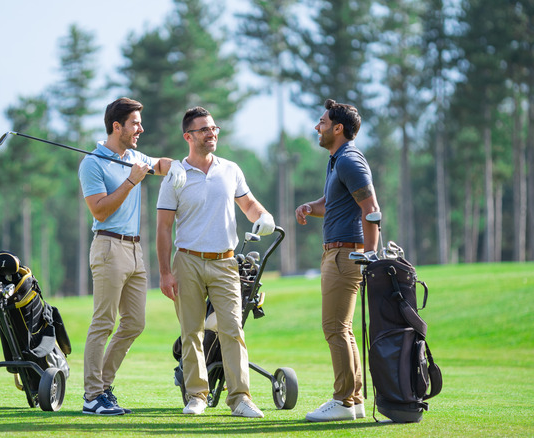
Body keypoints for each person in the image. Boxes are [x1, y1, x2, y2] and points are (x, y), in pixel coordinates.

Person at [156, 106, 276, 418]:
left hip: (225, 262)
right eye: (204, 130)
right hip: (188, 261)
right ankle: (197, 396)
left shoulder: (230, 169)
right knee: (192, 331)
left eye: (214, 128)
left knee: (233, 329)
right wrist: (165, 272)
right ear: (188, 137)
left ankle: (240, 398)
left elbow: (248, 204)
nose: (211, 134)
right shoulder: (175, 177)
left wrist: (263, 216)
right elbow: (164, 228)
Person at [78, 97, 186, 416]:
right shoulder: (92, 163)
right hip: (108, 246)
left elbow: (161, 164)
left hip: (135, 250)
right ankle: (92, 396)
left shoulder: (135, 157)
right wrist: (130, 181)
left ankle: (103, 386)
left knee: (135, 323)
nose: (141, 128)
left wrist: (181, 166)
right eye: (135, 123)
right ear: (117, 126)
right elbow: (99, 210)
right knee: (103, 322)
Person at [295, 99, 380, 422]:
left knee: (334, 328)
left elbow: (371, 208)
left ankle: (343, 401)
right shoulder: (337, 160)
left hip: (346, 254)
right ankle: (353, 400)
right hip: (338, 252)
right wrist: (310, 207)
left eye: (322, 122)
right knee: (343, 329)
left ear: (338, 128)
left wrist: (369, 253)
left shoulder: (349, 160)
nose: (317, 127)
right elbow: (332, 203)